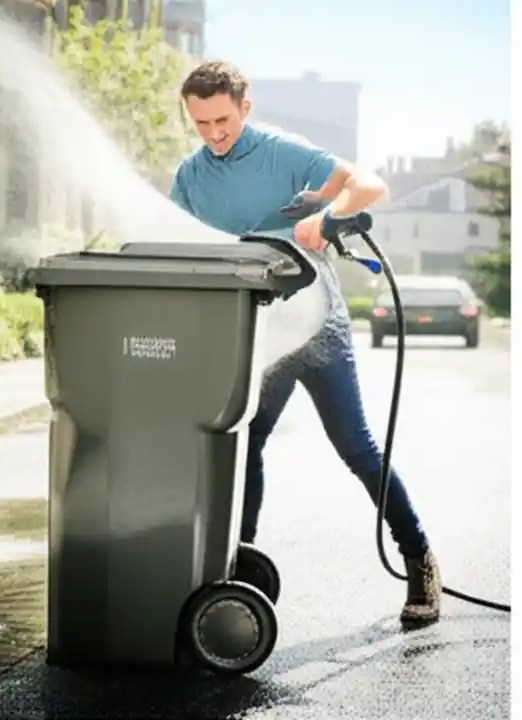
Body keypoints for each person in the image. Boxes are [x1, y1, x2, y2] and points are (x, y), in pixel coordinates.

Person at [168, 60, 441, 625]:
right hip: (254, 330)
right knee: (244, 445)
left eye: (223, 120)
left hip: (318, 325)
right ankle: (236, 571)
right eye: (201, 124)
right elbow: (175, 249)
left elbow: (370, 185)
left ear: (244, 108)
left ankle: (419, 559)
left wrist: (330, 215)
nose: (214, 133)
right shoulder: (190, 178)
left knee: (357, 448)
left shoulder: (282, 153)